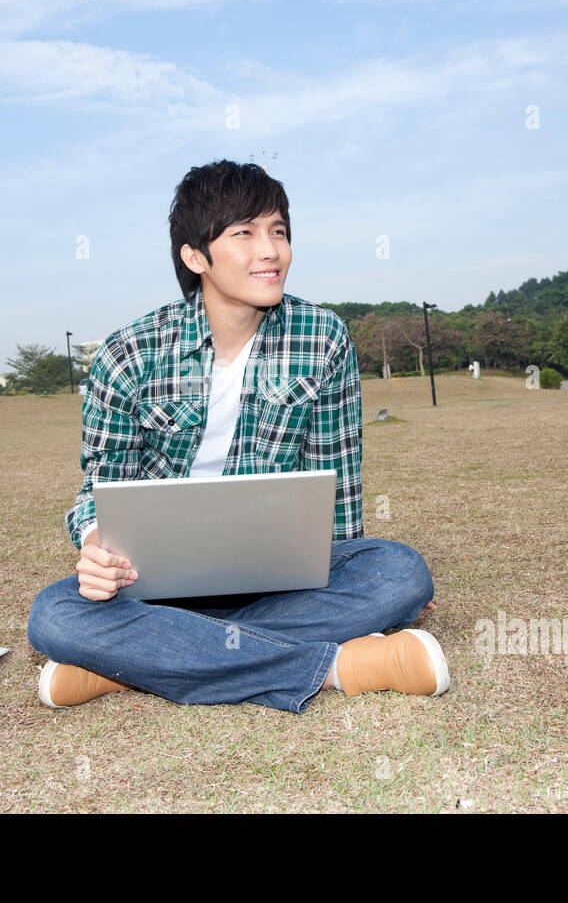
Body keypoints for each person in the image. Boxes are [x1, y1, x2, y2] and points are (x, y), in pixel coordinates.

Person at [26, 159, 449, 713]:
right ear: (196, 256)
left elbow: (338, 493)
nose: (270, 250)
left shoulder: (323, 337)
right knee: (55, 613)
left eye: (278, 231)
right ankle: (342, 666)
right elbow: (99, 488)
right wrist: (94, 544)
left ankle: (133, 666)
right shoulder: (128, 354)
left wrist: (362, 579)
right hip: (154, 581)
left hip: (282, 581)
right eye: (243, 233)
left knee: (399, 572)